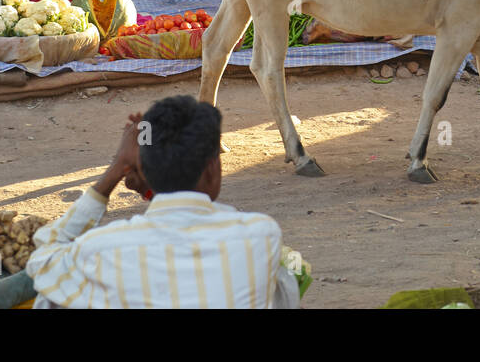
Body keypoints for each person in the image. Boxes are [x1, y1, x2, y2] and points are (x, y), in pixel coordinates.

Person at [26, 96, 302, 309]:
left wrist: (116, 170)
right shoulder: (259, 235)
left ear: (140, 168)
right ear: (213, 168)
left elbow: (42, 259)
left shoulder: (99, 249)